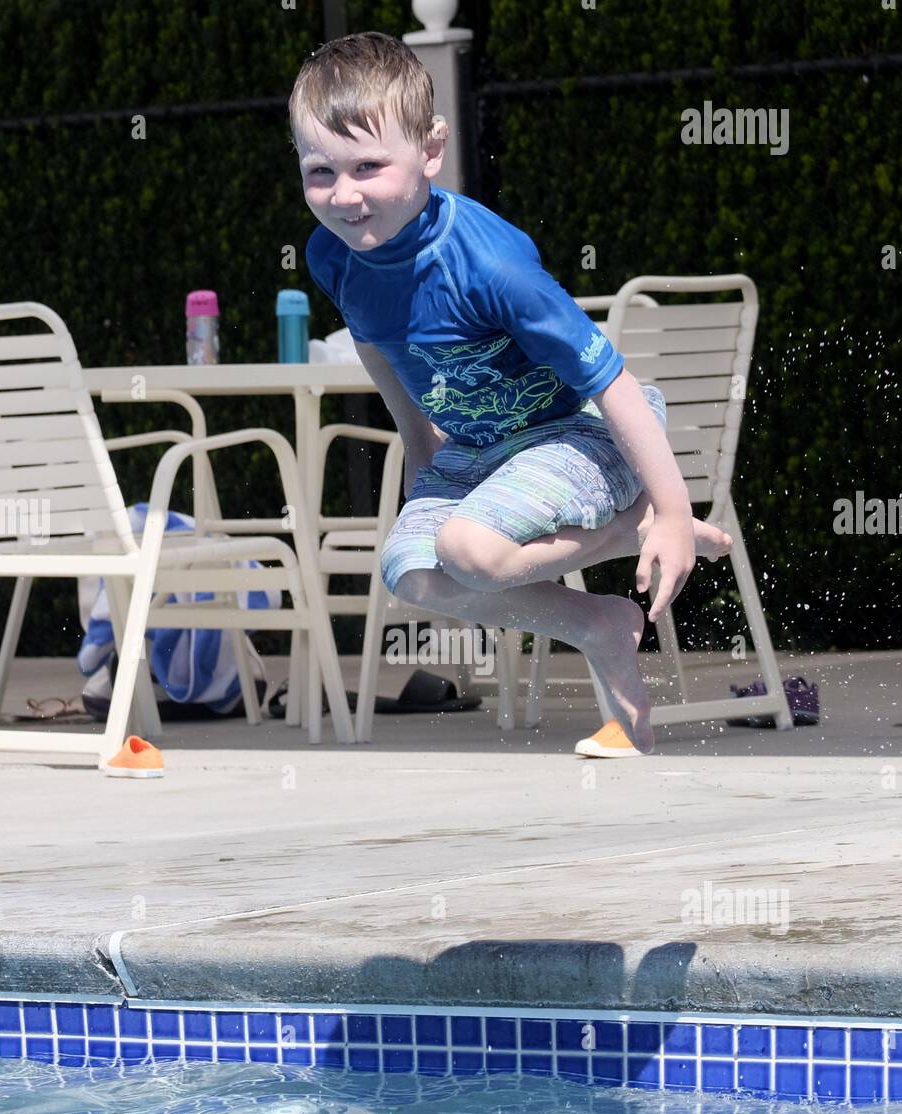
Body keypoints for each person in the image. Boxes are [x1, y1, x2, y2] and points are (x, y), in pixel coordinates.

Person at [289, 31, 733, 755]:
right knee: (411, 572)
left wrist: (676, 513)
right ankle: (597, 623)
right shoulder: (333, 256)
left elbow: (612, 380)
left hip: (577, 431)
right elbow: (375, 342)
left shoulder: (491, 264)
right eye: (319, 171)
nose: (344, 196)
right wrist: (417, 439)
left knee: (466, 550)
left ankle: (637, 520)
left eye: (368, 166)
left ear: (430, 151)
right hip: (479, 449)